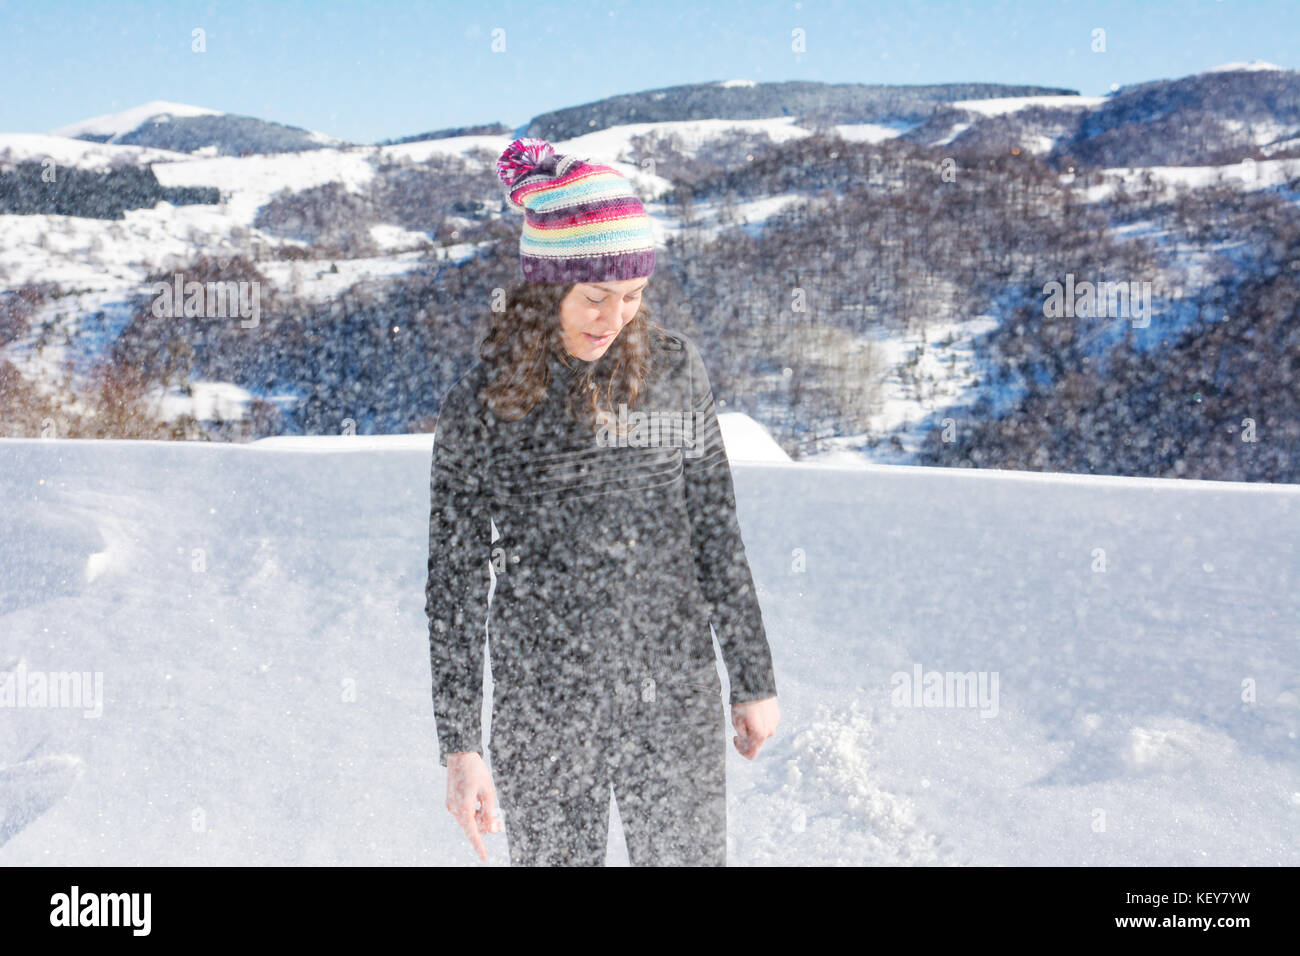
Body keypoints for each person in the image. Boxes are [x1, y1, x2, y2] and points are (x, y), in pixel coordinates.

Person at [426, 138, 780, 866]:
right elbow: (456, 582)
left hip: (671, 689)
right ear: (541, 289)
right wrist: (460, 745)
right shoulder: (482, 405)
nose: (614, 317)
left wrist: (752, 677)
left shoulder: (674, 373)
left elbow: (714, 527)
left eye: (632, 296)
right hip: (542, 704)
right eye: (593, 297)